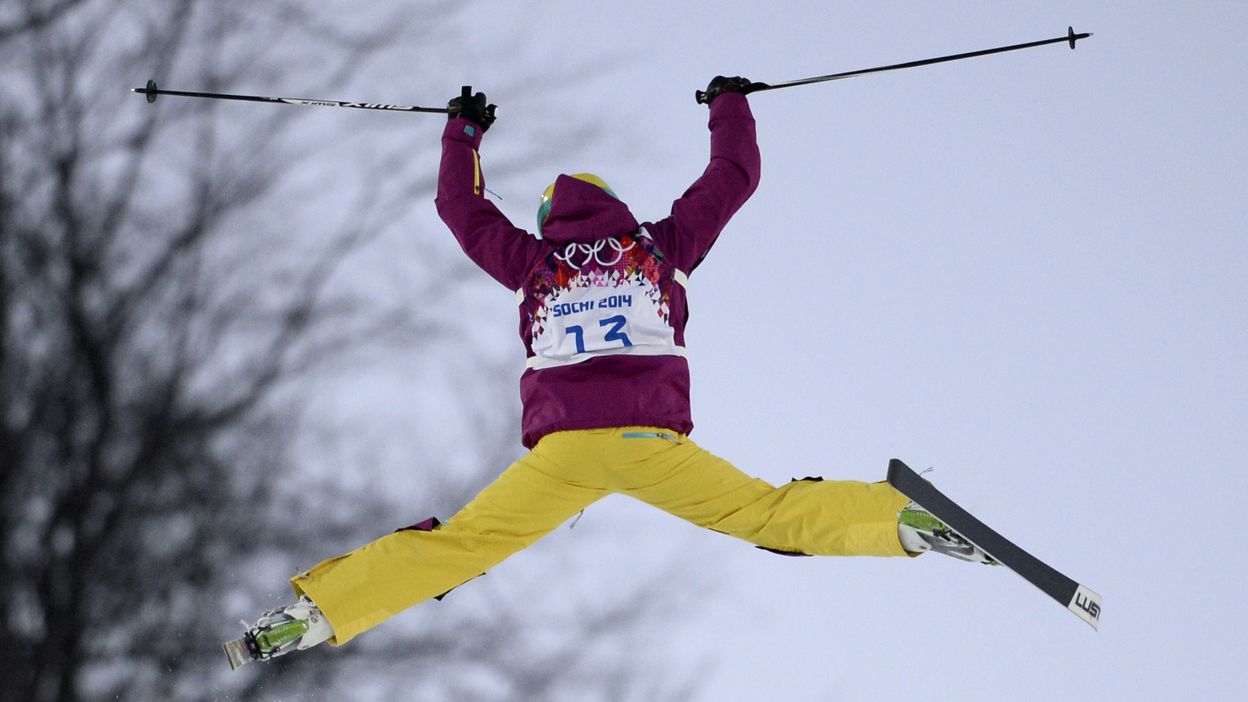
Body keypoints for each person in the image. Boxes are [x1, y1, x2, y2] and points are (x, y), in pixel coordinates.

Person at [223, 76, 993, 670]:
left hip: (561, 457)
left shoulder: (532, 263)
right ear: (616, 207)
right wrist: (728, 104)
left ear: (547, 219)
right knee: (765, 514)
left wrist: (463, 133)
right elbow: (733, 174)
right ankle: (900, 520)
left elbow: (459, 208)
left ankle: (316, 614)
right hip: (651, 445)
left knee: (459, 547)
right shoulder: (660, 248)